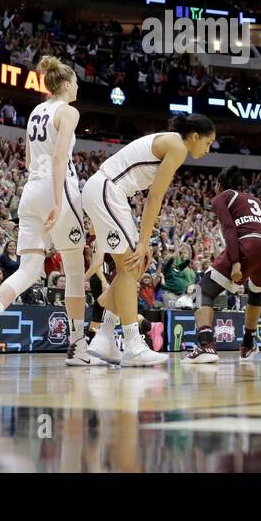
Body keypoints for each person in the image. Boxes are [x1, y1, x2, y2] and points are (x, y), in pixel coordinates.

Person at [0, 57, 95, 368]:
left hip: (30, 190)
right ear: (65, 85)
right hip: (56, 188)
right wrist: (57, 200)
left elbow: (27, 160)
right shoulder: (69, 111)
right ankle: (77, 346)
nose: (77, 86)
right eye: (75, 82)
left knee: (29, 270)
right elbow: (60, 157)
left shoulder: (36, 111)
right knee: (75, 270)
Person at [84, 114, 217, 366]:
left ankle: (104, 337)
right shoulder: (177, 146)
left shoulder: (170, 142)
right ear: (195, 136)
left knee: (131, 268)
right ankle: (133, 345)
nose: (208, 150)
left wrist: (142, 242)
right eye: (208, 143)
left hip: (104, 191)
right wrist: (143, 242)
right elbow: (154, 198)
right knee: (131, 266)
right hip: (108, 190)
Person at [183, 167, 261, 363]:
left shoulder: (221, 197)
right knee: (255, 291)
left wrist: (235, 263)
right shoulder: (255, 201)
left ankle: (205, 345)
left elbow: (229, 229)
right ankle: (248, 343)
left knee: (202, 292)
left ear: (218, 185)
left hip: (250, 245)